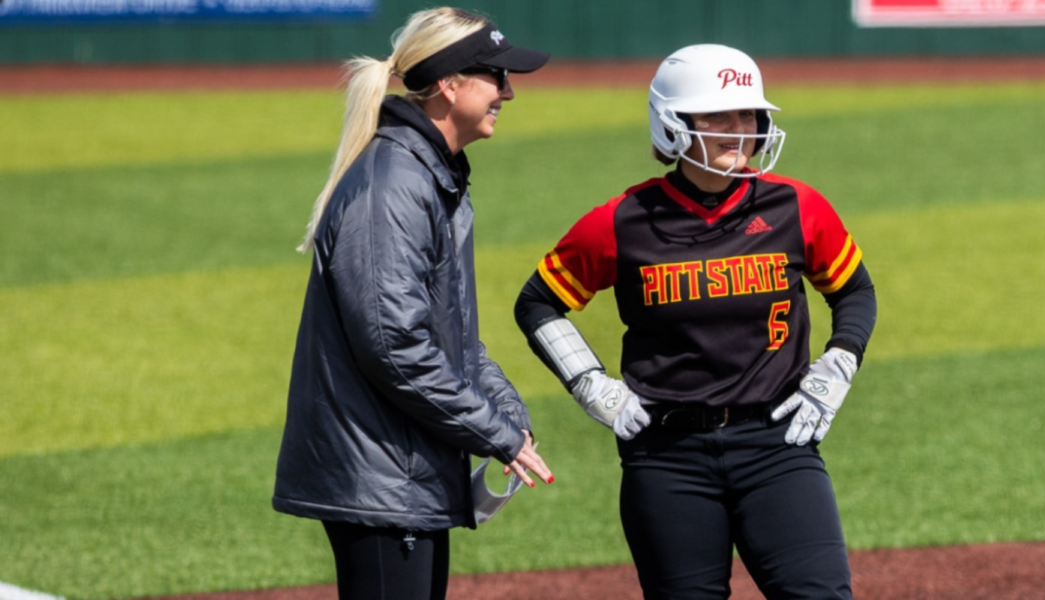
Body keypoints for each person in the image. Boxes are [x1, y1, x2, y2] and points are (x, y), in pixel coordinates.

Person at [514, 44, 877, 599]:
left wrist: (840, 360)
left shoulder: (795, 206)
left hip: (777, 445)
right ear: (673, 124)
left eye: (750, 115)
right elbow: (538, 301)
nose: (741, 129)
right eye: (719, 116)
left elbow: (854, 289)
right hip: (666, 457)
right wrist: (589, 383)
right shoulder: (622, 222)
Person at [272, 8, 553, 600]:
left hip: (406, 470)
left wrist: (505, 411)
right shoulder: (394, 183)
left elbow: (451, 335)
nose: (507, 91)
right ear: (449, 85)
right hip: (382, 478)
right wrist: (492, 431)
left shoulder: (430, 174)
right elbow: (395, 346)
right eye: (495, 77)